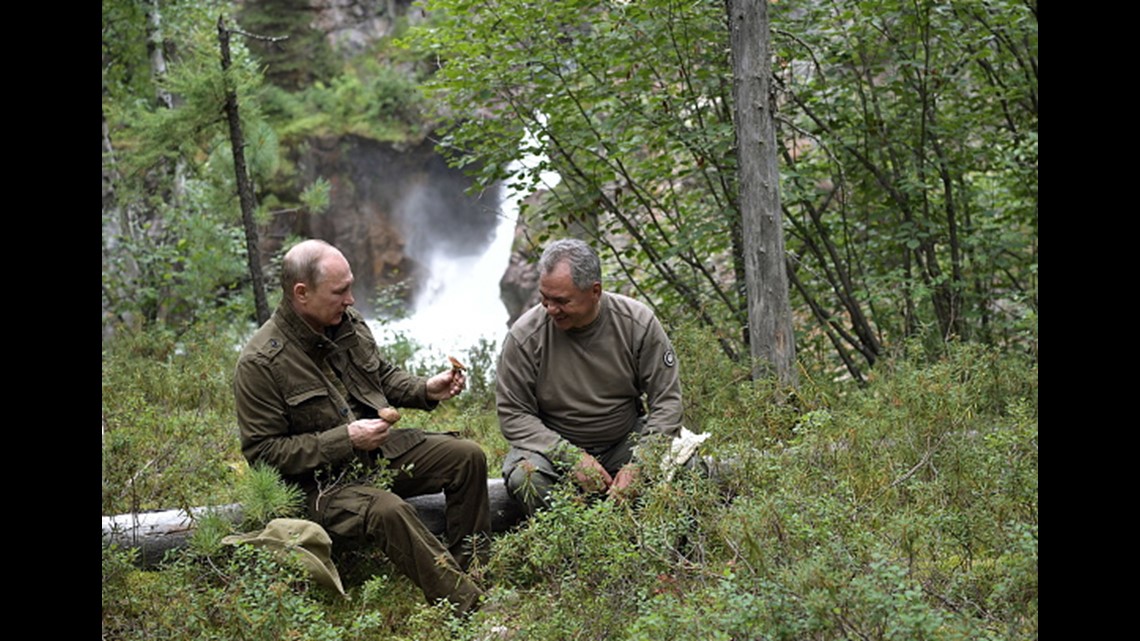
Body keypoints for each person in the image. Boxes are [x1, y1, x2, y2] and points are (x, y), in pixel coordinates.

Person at [233, 239, 489, 614]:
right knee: (389, 509)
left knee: (467, 457)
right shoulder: (260, 363)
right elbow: (264, 454)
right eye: (340, 291)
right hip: (320, 486)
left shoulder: (344, 322)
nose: (351, 299)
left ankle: (471, 572)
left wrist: (424, 389)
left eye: (350, 287)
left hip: (375, 456)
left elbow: (378, 376)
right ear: (301, 294)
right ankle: (465, 606)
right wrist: (346, 438)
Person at [496, 238, 684, 515]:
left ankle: (645, 544)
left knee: (685, 467)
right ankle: (573, 547)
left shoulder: (637, 323)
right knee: (526, 478)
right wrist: (570, 457)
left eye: (561, 301)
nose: (550, 309)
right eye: (544, 298)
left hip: (624, 443)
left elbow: (668, 402)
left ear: (595, 291)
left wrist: (641, 463)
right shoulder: (525, 336)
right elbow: (513, 414)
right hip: (553, 452)